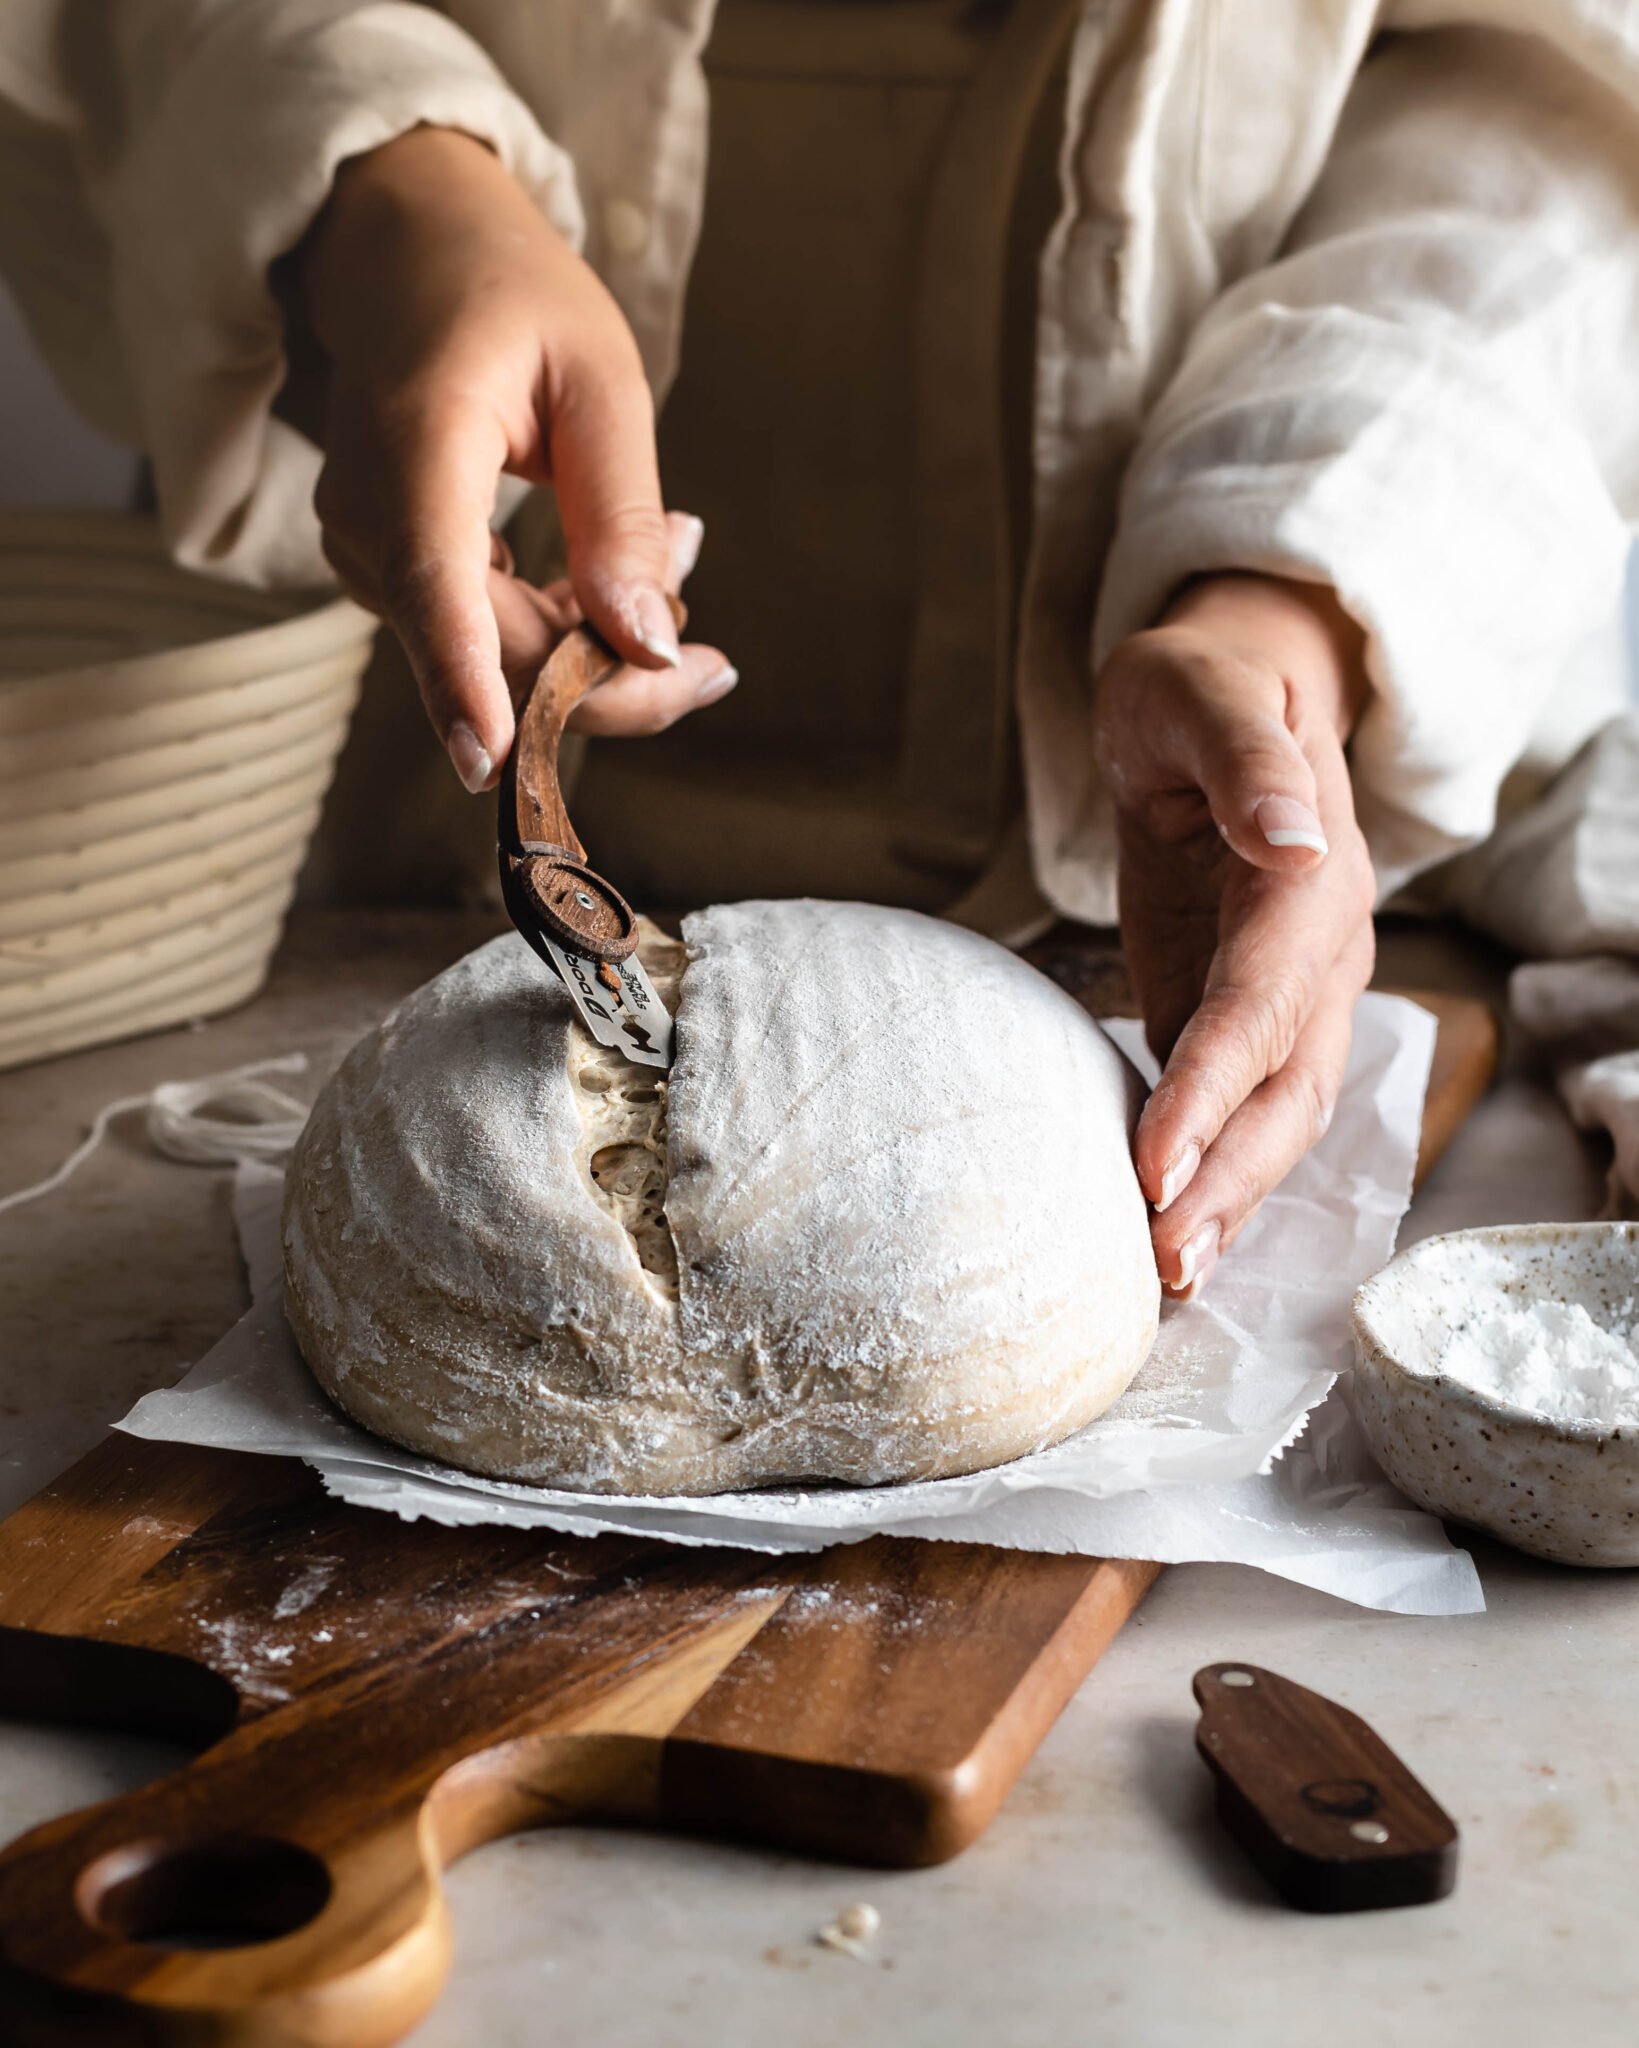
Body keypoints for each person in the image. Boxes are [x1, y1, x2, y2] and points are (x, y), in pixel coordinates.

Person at [3, 1, 1636, 1299]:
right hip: (399, 791)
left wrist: (1277, 608)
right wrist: (388, 195)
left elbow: (1540, 110)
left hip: (1170, 854)